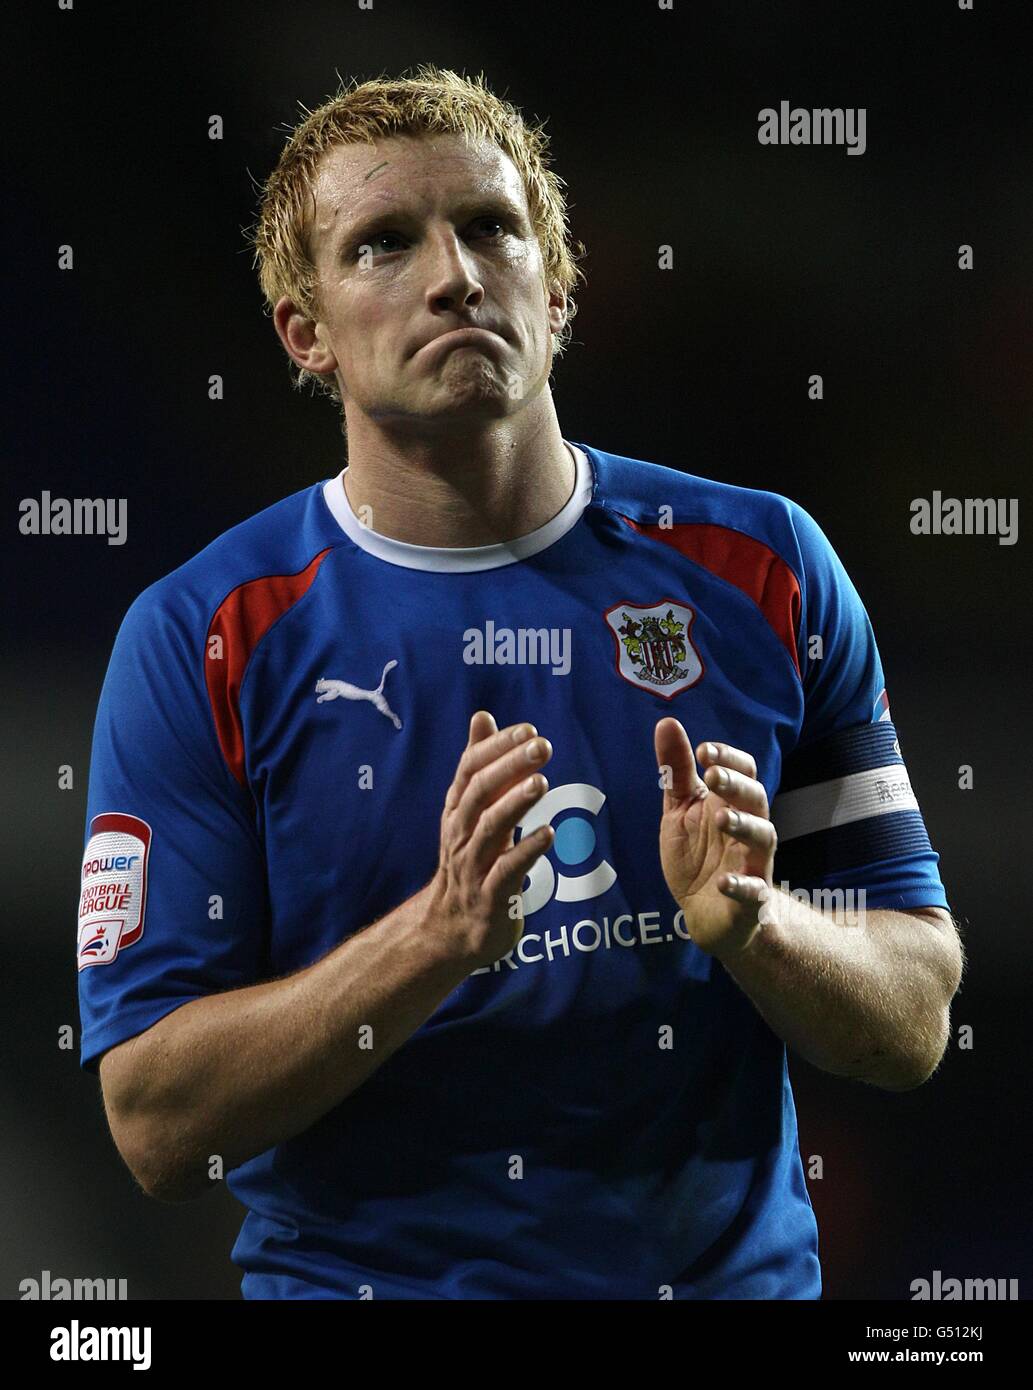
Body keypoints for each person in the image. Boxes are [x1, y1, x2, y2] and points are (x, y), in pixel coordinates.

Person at [77, 65, 963, 1300]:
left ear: (556, 285)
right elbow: (159, 1125)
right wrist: (434, 939)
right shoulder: (205, 637)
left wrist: (761, 929)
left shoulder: (763, 570)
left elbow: (914, 1015)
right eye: (383, 244)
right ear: (306, 334)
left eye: (490, 227)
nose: (453, 274)